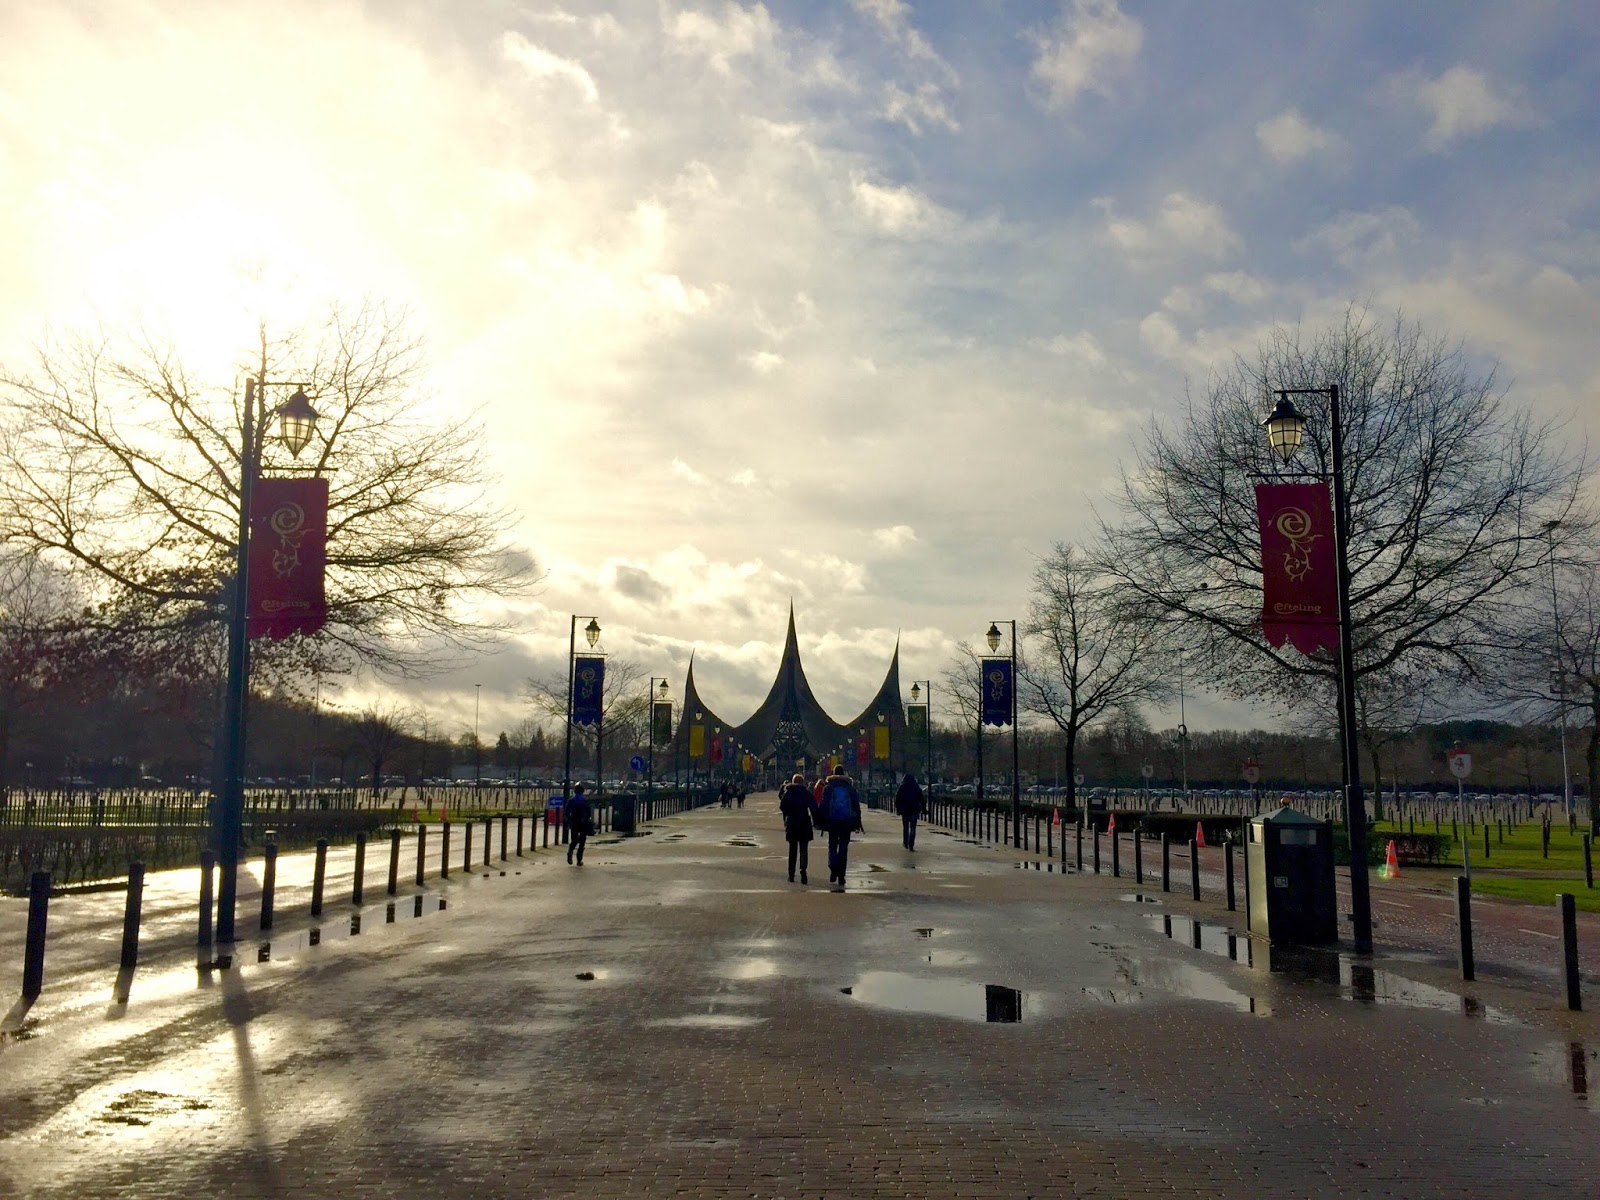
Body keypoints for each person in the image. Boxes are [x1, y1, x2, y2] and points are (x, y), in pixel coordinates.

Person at [822, 767, 862, 888]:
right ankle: (841, 875)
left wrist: (822, 820)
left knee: (832, 845)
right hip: (846, 821)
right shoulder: (849, 787)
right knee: (844, 847)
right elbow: (856, 805)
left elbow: (824, 805)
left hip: (833, 821)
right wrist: (858, 821)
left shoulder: (829, 787)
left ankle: (833, 868)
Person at [778, 772, 814, 883]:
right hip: (804, 822)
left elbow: (782, 806)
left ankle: (791, 874)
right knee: (803, 849)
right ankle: (803, 870)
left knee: (792, 849)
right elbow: (813, 807)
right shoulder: (806, 793)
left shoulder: (789, 792)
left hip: (793, 823)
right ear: (802, 782)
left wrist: (789, 814)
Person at [894, 771, 925, 851]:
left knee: (906, 827)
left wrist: (898, 809)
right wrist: (923, 809)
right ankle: (911, 844)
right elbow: (921, 798)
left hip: (905, 810)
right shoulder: (916, 786)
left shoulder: (902, 786)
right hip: (914, 809)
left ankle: (905, 842)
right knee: (913, 828)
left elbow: (897, 798)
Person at [566, 784, 593, 866]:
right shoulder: (585, 800)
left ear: (575, 791)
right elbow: (589, 813)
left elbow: (567, 812)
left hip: (574, 822)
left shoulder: (572, 800)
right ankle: (579, 860)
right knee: (582, 841)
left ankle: (570, 851)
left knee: (574, 839)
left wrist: (569, 820)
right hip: (583, 823)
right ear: (583, 791)